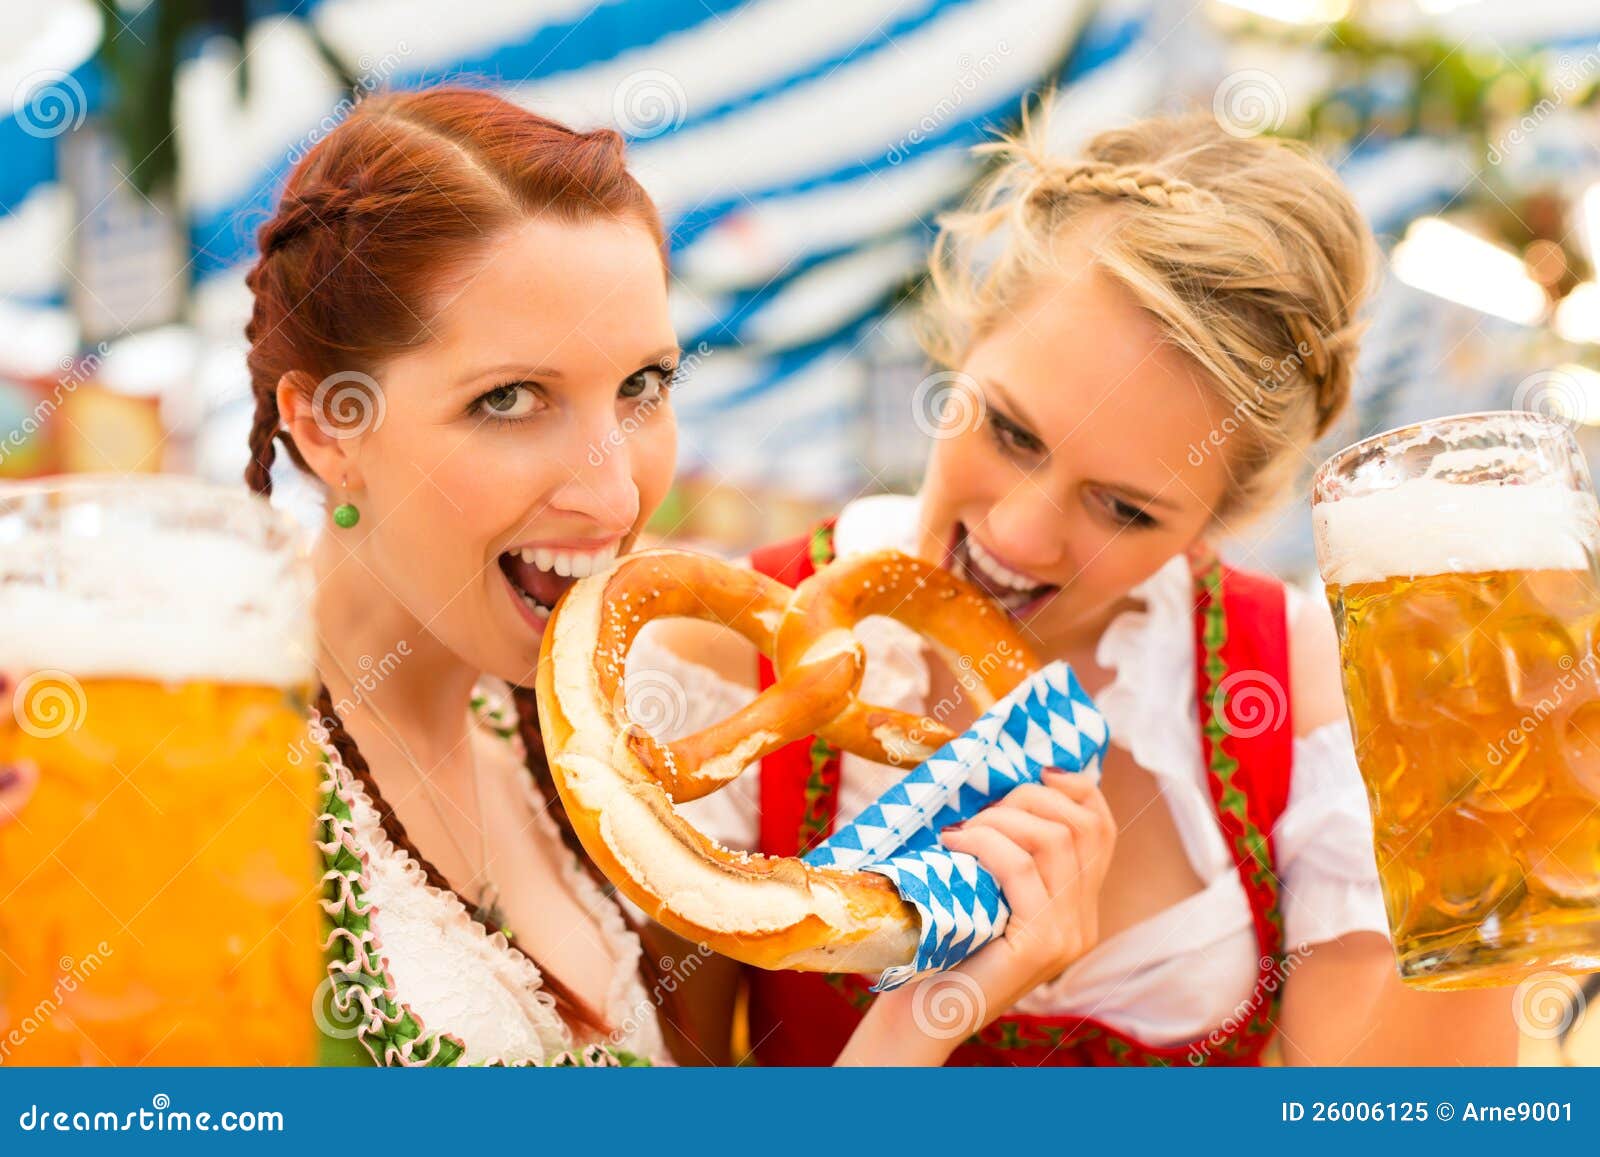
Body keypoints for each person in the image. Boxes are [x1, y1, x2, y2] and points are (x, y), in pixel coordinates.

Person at [241, 85, 1104, 1067]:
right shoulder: (185, 786)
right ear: (326, 425)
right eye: (511, 397)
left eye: (643, 386)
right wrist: (910, 1034)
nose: (615, 500)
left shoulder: (569, 762)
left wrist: (941, 992)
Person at [636, 109, 1520, 1065]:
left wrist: (1494, 833)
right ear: (963, 344)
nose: (1018, 531)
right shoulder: (728, 652)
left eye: (1126, 510)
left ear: (1213, 528)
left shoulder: (1312, 696)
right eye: (1010, 431)